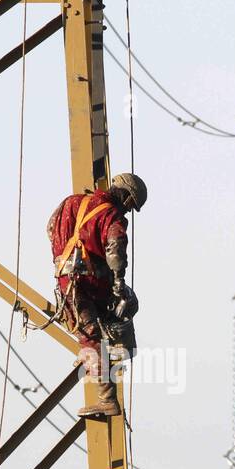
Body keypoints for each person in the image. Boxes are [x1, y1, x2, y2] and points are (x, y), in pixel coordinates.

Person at [46, 172, 146, 417]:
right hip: (88, 283)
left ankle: (100, 358)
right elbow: (115, 249)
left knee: (88, 328)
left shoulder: (71, 203)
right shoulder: (112, 216)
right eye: (130, 205)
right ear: (124, 194)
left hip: (66, 281)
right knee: (105, 323)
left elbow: (50, 228)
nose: (128, 211)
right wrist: (118, 282)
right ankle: (107, 398)